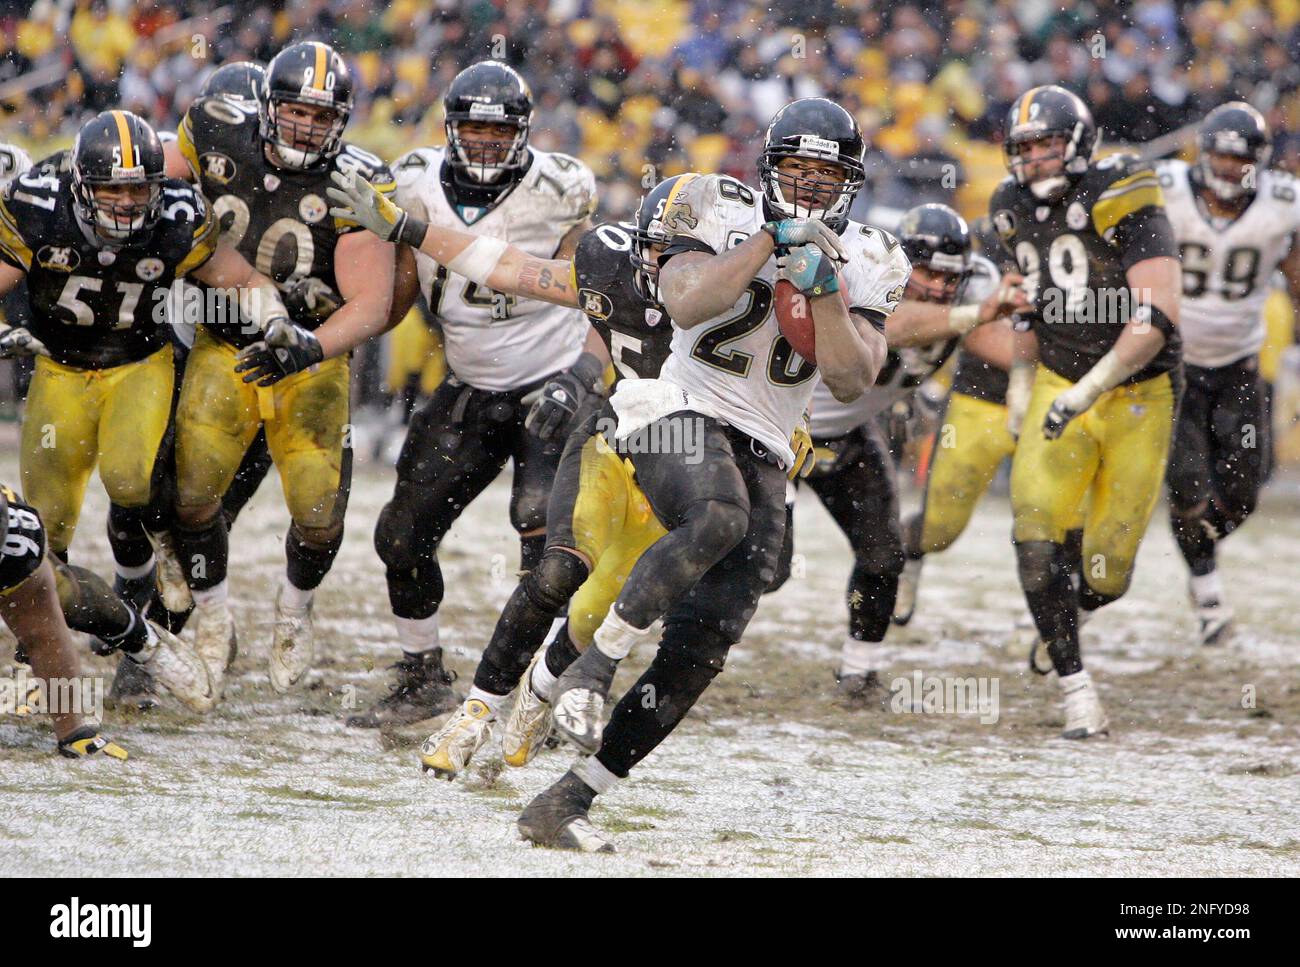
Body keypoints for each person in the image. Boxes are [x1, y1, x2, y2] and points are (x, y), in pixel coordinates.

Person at [516, 98, 903, 851]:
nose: (813, 186)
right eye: (797, 169)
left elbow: (854, 378)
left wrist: (824, 286)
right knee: (718, 513)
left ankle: (566, 802)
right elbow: (687, 300)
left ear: (850, 181)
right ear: (768, 169)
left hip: (764, 441)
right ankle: (591, 669)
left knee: (705, 644)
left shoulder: (875, 254)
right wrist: (769, 239)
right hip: (675, 402)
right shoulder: (716, 205)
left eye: (828, 175)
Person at [339, 61, 605, 729]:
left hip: (551, 378)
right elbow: (400, 292)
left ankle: (539, 692)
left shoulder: (563, 186)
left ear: (523, 132)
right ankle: (423, 673)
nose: (485, 142)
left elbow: (586, 288)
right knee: (401, 535)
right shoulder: (413, 179)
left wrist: (580, 377)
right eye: (473, 128)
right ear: (450, 129)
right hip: (469, 382)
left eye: (499, 129)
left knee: (544, 535)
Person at [162, 41, 397, 697]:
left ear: (342, 121)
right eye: (295, 112)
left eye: (323, 118)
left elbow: (372, 302)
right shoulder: (215, 130)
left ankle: (294, 611)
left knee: (319, 512)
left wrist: (310, 346)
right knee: (192, 494)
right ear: (267, 107)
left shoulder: (355, 180)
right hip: (225, 340)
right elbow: (155, 182)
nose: (307, 128)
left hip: (312, 353)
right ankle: (212, 616)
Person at [991, 85, 1182, 738]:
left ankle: (1072, 611)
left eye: (1046, 145)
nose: (1036, 159)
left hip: (1137, 391)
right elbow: (1025, 304)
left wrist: (1090, 388)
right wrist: (1022, 380)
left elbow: (1157, 315)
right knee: (1036, 529)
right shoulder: (1009, 206)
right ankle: (1077, 691)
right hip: (1057, 376)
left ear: (1076, 145)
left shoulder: (1120, 187)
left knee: (1106, 570)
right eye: (1025, 148)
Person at [1156, 102, 1300, 645]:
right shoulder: (1166, 188)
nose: (1226, 167)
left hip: (1240, 364)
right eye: (1218, 153)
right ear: (1201, 152)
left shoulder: (1284, 204)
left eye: (1238, 159)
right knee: (1189, 484)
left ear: (1258, 164)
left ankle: (1199, 552)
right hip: (1173, 363)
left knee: (1244, 490)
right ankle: (1207, 588)